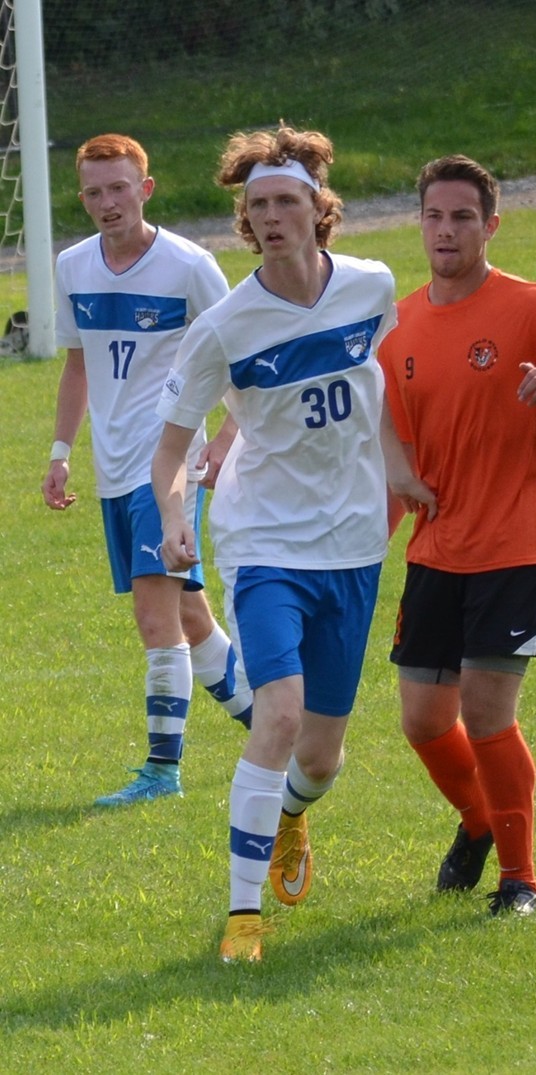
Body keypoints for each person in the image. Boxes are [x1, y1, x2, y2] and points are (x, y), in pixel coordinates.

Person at [151, 124, 435, 961]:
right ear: (245, 219)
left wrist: (399, 469)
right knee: (276, 715)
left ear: (319, 210)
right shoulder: (224, 327)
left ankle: (288, 817)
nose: (271, 217)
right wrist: (174, 517)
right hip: (264, 540)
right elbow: (170, 451)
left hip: (352, 542)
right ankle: (243, 919)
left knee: (322, 756)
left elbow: (374, 389)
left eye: (286, 202)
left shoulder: (372, 287)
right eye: (258, 206)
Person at [379, 153, 536, 915]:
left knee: (488, 713)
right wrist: (382, 518)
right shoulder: (399, 326)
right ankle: (480, 818)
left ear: (490, 225)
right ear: (420, 223)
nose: (446, 230)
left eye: (462, 217)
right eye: (434, 216)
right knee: (424, 720)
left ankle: (521, 879)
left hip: (517, 543)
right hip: (437, 545)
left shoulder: (534, 307)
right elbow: (396, 443)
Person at [42, 133, 253, 808]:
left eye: (119, 188)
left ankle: (163, 772)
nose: (108, 202)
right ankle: (274, 725)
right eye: (94, 192)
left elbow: (242, 357)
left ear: (146, 189)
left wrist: (225, 438)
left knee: (154, 615)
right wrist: (60, 451)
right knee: (189, 615)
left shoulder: (189, 266)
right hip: (112, 467)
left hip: (168, 467)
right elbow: (78, 365)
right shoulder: (73, 266)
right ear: (83, 198)